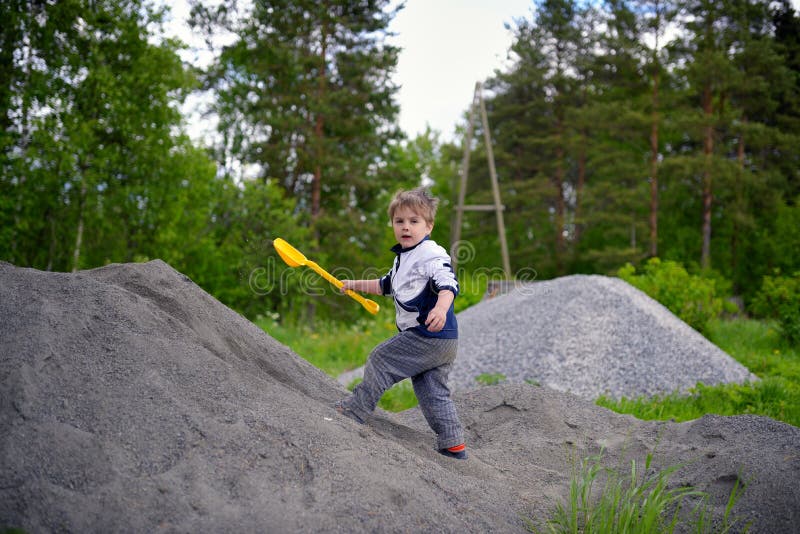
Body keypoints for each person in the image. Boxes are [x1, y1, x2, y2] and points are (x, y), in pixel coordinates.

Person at [335, 187, 467, 460]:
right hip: (442, 341)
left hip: (429, 334)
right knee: (431, 390)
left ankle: (356, 409)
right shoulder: (403, 258)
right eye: (400, 221)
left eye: (414, 221)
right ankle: (453, 443)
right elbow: (386, 285)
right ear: (393, 224)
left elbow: (448, 283)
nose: (406, 227)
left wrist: (442, 309)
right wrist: (352, 285)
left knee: (381, 358)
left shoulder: (431, 253)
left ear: (429, 226)